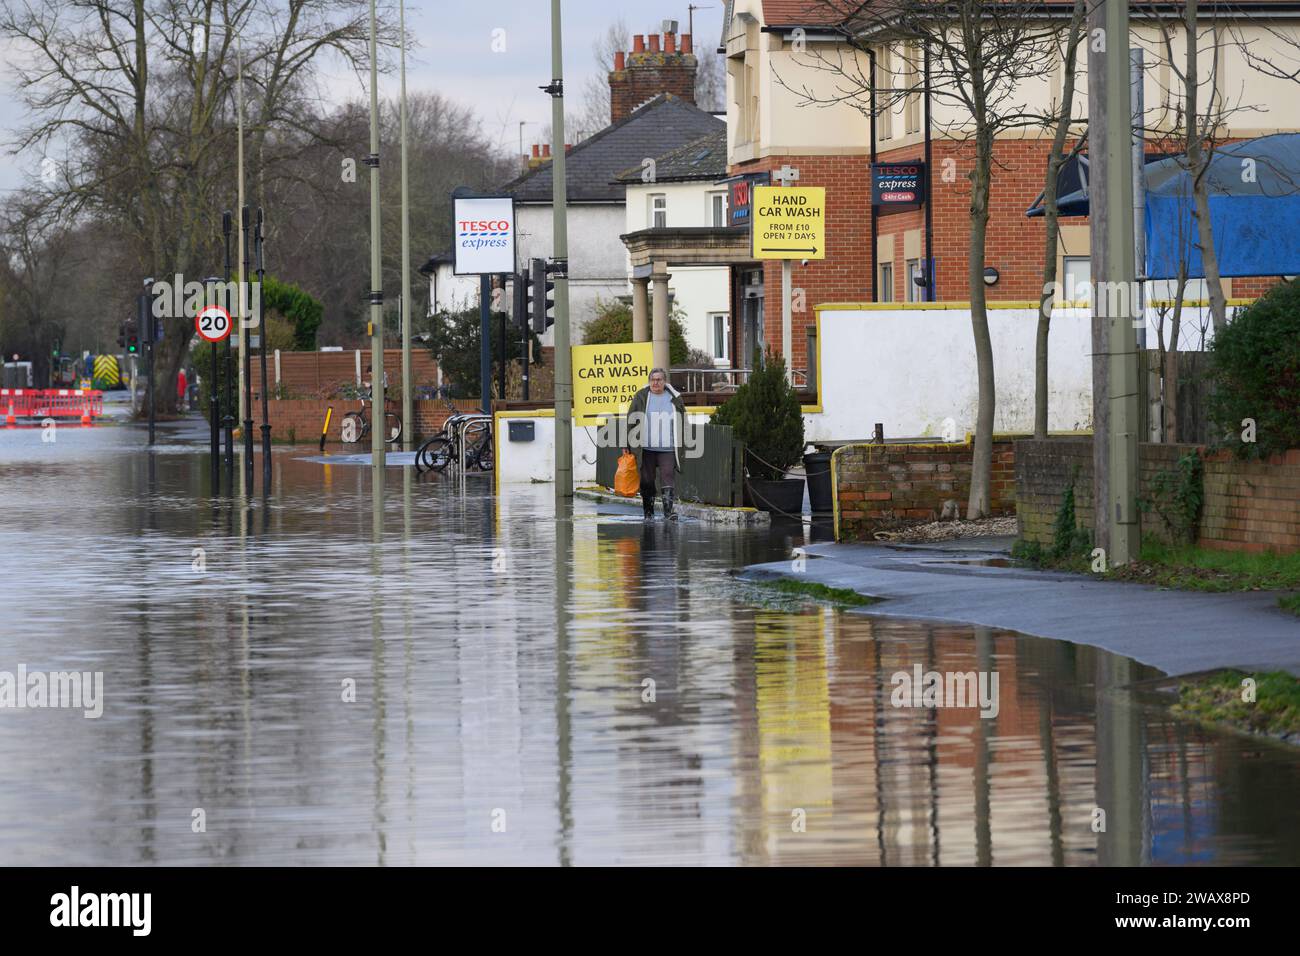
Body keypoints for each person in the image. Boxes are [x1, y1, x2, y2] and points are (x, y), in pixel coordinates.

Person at [624, 367, 687, 521]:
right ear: (649, 381)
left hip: (668, 447)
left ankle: (668, 512)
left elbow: (683, 421)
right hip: (646, 448)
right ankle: (648, 513)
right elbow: (631, 420)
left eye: (659, 379)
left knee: (668, 475)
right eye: (653, 379)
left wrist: (684, 441)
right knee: (647, 480)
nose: (655, 382)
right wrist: (626, 443)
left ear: (665, 382)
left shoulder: (674, 398)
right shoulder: (641, 397)